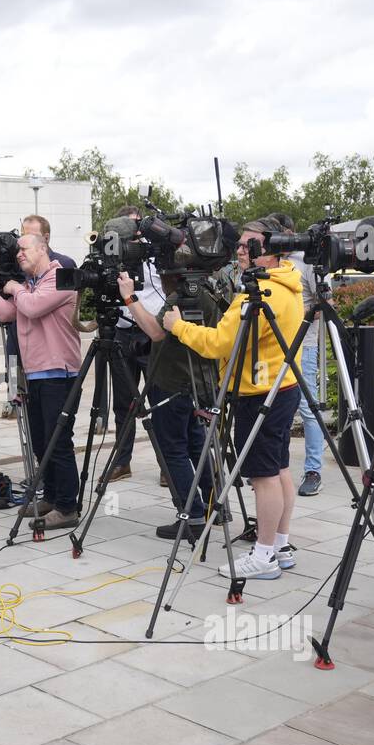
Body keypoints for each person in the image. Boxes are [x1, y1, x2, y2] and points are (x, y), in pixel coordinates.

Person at [165, 219, 304, 580]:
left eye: (249, 246)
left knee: (263, 477)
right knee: (280, 470)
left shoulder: (262, 295)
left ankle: (263, 555)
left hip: (259, 394)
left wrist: (177, 327)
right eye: (240, 244)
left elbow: (218, 344)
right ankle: (279, 545)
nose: (240, 250)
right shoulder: (288, 283)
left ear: (272, 252)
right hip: (280, 387)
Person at [0, 232, 82, 529]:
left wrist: (13, 287)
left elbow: (32, 307)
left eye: (23, 249)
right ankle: (53, 497)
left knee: (58, 443)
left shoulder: (62, 276)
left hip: (60, 374)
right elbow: (9, 313)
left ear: (43, 248)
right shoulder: (31, 285)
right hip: (36, 374)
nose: (18, 254)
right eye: (17, 249)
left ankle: (68, 507)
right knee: (42, 443)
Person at [117, 261, 218, 539]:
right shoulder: (208, 291)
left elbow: (156, 331)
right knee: (197, 446)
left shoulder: (179, 297)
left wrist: (129, 297)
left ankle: (192, 515)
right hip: (200, 383)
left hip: (173, 383)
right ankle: (213, 506)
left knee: (173, 450)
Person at [267, 213, 325, 497]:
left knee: (308, 407)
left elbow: (324, 304)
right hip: (273, 347)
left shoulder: (306, 263)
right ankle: (279, 468)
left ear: (290, 231)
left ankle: (314, 469)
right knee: (278, 407)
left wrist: (295, 318)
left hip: (304, 344)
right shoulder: (271, 262)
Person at [0, 215, 79, 420]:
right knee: (29, 417)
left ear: (45, 239)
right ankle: (12, 400)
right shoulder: (18, 260)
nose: (23, 241)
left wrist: (17, 288)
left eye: (31, 235)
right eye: (22, 234)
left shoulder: (63, 264)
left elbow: (34, 305)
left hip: (50, 356)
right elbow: (6, 305)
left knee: (54, 432)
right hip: (17, 338)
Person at [103, 205, 154, 485]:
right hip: (123, 333)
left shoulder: (154, 255)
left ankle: (166, 464)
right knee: (124, 404)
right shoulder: (113, 255)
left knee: (158, 403)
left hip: (150, 334)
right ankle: (122, 461)